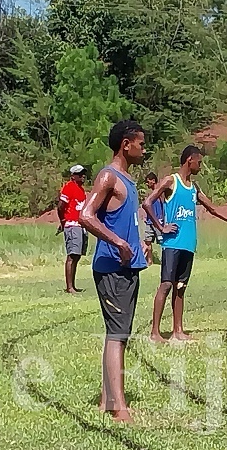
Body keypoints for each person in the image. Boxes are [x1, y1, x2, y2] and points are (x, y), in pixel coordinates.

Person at [143, 145, 227, 343]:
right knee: (166, 284)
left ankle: (178, 330)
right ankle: (155, 332)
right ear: (189, 161)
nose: (201, 166)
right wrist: (161, 227)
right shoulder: (171, 181)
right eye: (199, 162)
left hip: (188, 244)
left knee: (181, 286)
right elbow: (147, 202)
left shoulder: (194, 188)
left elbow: (213, 209)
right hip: (172, 243)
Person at [79, 120, 150, 423]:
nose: (144, 150)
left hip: (128, 267)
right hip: (111, 267)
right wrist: (119, 242)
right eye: (141, 144)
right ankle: (118, 407)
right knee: (117, 334)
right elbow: (86, 216)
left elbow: (125, 220)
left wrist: (139, 244)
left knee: (120, 333)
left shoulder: (127, 180)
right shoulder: (109, 177)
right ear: (126, 144)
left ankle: (108, 399)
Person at [58, 165, 88, 293]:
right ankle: (69, 287)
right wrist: (63, 221)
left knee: (77, 256)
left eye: (83, 174)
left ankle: (73, 285)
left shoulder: (81, 190)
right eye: (80, 174)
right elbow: (60, 206)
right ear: (73, 176)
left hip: (81, 226)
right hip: (72, 225)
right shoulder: (69, 187)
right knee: (72, 255)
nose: (83, 176)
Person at [142, 172, 164, 264]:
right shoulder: (151, 194)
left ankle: (166, 261)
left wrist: (163, 219)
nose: (147, 184)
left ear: (153, 181)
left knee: (163, 242)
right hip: (149, 222)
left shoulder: (160, 192)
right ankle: (149, 261)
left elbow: (164, 205)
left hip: (158, 221)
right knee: (147, 241)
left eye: (148, 182)